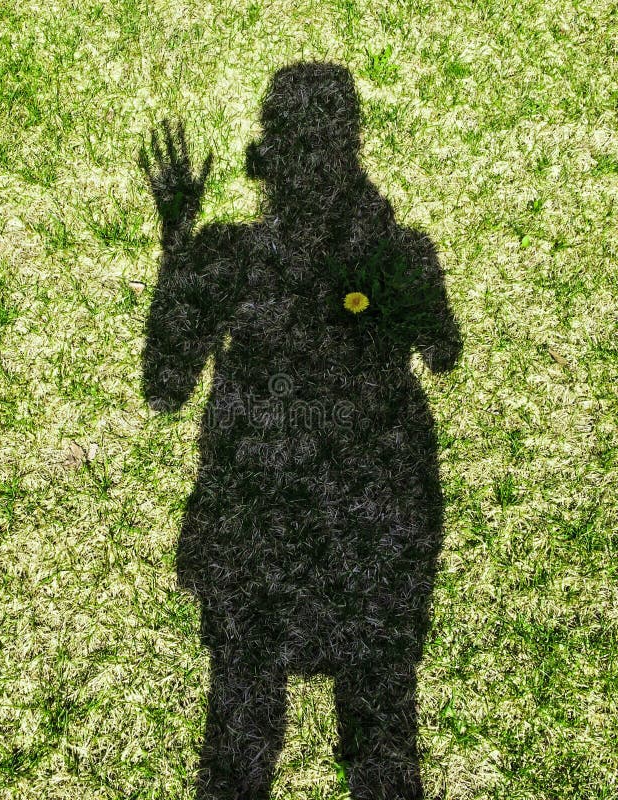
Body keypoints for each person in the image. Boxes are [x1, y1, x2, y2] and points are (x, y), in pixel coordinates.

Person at [141, 61, 461, 800]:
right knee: (380, 738)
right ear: (353, 152)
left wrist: (178, 246)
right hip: (371, 539)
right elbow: (443, 351)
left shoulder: (228, 260)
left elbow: (165, 385)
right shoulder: (399, 256)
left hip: (260, 540)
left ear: (266, 155)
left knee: (241, 738)